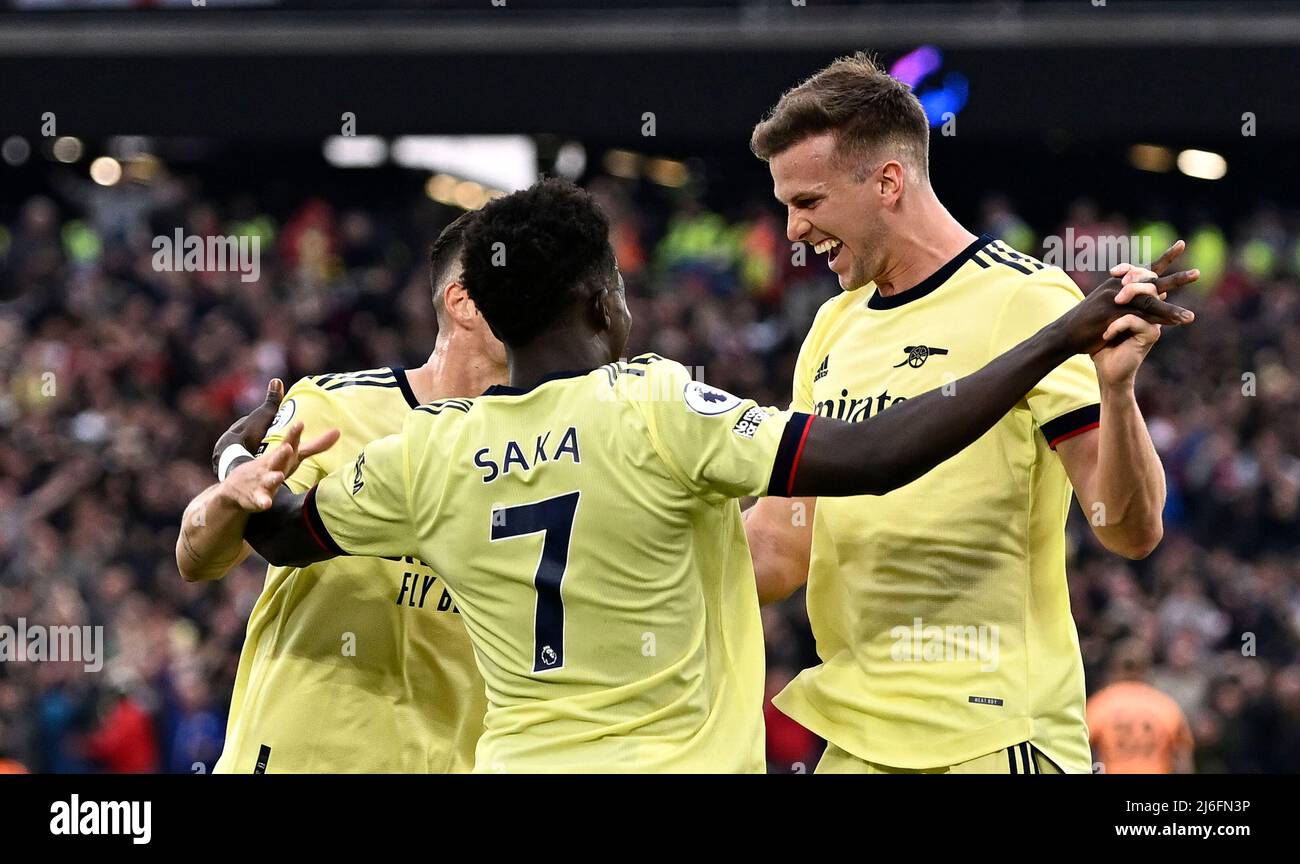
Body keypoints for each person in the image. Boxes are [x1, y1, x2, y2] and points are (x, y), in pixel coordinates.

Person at [181, 178, 1192, 772]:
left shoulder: (422, 458)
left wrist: (236, 453)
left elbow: (275, 532)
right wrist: (1062, 331)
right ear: (594, 302)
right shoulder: (657, 408)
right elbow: (882, 452)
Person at [744, 53, 1192, 773]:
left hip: (994, 737)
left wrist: (1116, 391)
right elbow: (780, 546)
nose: (792, 229)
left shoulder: (1030, 302)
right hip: (856, 739)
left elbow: (1129, 529)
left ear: (888, 182)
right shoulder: (831, 329)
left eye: (810, 202)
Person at [176, 213, 507, 773]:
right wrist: (232, 493)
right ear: (464, 302)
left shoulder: (544, 448)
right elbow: (197, 558)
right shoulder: (334, 408)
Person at [1087, 639, 1194, 774]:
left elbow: (1080, 748)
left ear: (1115, 667)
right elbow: (1182, 759)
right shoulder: (1166, 706)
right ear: (1147, 669)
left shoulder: (1100, 704)